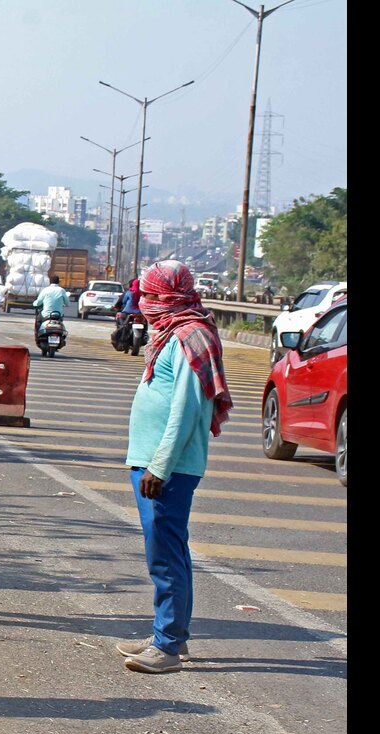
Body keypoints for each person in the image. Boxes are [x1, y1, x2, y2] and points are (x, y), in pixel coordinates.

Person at [116, 259, 234, 674]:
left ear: (167, 297)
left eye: (150, 295)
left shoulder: (190, 336)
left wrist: (159, 467)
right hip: (153, 463)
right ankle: (169, 636)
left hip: (167, 468)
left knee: (165, 556)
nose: (144, 302)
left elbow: (185, 411)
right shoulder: (169, 334)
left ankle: (167, 646)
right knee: (167, 551)